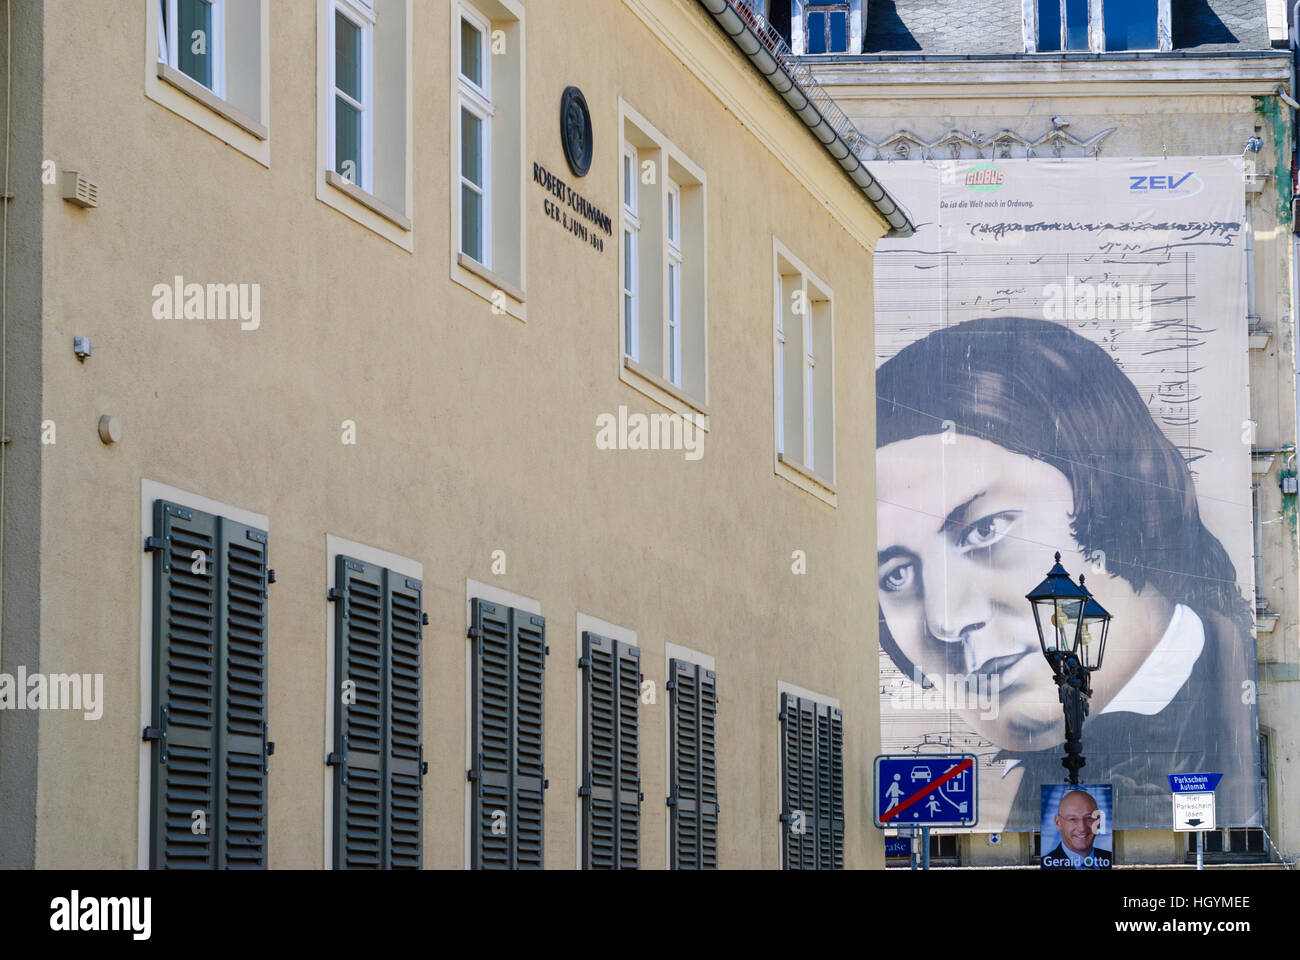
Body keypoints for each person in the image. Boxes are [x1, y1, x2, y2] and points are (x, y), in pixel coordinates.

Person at [875, 316, 1260, 831]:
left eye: (985, 530)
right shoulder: (1013, 788)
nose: (946, 619)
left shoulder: (1239, 707)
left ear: (1115, 496)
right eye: (896, 576)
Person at [1042, 789, 1112, 869]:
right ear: (1058, 823)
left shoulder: (1111, 860)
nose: (1082, 828)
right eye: (1072, 819)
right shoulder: (1045, 866)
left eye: (1089, 818)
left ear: (1098, 821)